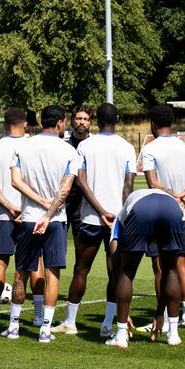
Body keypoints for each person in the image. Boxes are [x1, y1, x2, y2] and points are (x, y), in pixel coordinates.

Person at [54, 103, 136, 338]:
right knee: (116, 272)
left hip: (90, 217)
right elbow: (128, 186)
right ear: (118, 120)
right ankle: (108, 324)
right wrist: (118, 215)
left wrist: (99, 210)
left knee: (81, 269)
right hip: (116, 220)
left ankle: (70, 322)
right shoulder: (127, 147)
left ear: (96, 120)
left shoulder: (86, 146)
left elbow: (81, 181)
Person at [2, 105, 78, 343]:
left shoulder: (22, 146)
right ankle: (45, 328)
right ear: (60, 123)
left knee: (21, 272)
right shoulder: (68, 150)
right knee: (52, 272)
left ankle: (13, 326)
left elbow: (16, 181)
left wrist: (39, 202)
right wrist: (50, 209)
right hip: (56, 219)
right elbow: (65, 188)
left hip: (29, 217)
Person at [0, 108, 45, 328]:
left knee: (0, 263)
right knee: (35, 264)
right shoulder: (35, 146)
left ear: (5, 126)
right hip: (31, 213)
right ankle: (38, 315)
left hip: (4, 215)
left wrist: (8, 206)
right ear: (25, 124)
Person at [140, 105, 185, 331]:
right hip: (181, 214)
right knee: (180, 265)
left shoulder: (150, 149)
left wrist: (172, 198)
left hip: (159, 215)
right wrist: (184, 200)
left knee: (159, 267)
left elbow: (152, 183)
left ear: (153, 124)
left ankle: (163, 317)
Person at [106, 189, 185, 348]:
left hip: (142, 209)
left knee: (126, 272)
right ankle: (174, 334)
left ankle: (121, 335)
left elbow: (115, 262)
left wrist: (122, 313)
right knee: (171, 270)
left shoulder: (118, 219)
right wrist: (159, 313)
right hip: (173, 208)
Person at [64, 104, 92, 238]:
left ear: (90, 122)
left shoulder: (94, 144)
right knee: (57, 247)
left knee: (82, 248)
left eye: (86, 119)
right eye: (79, 118)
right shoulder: (63, 142)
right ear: (72, 120)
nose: (82, 122)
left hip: (84, 201)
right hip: (63, 200)